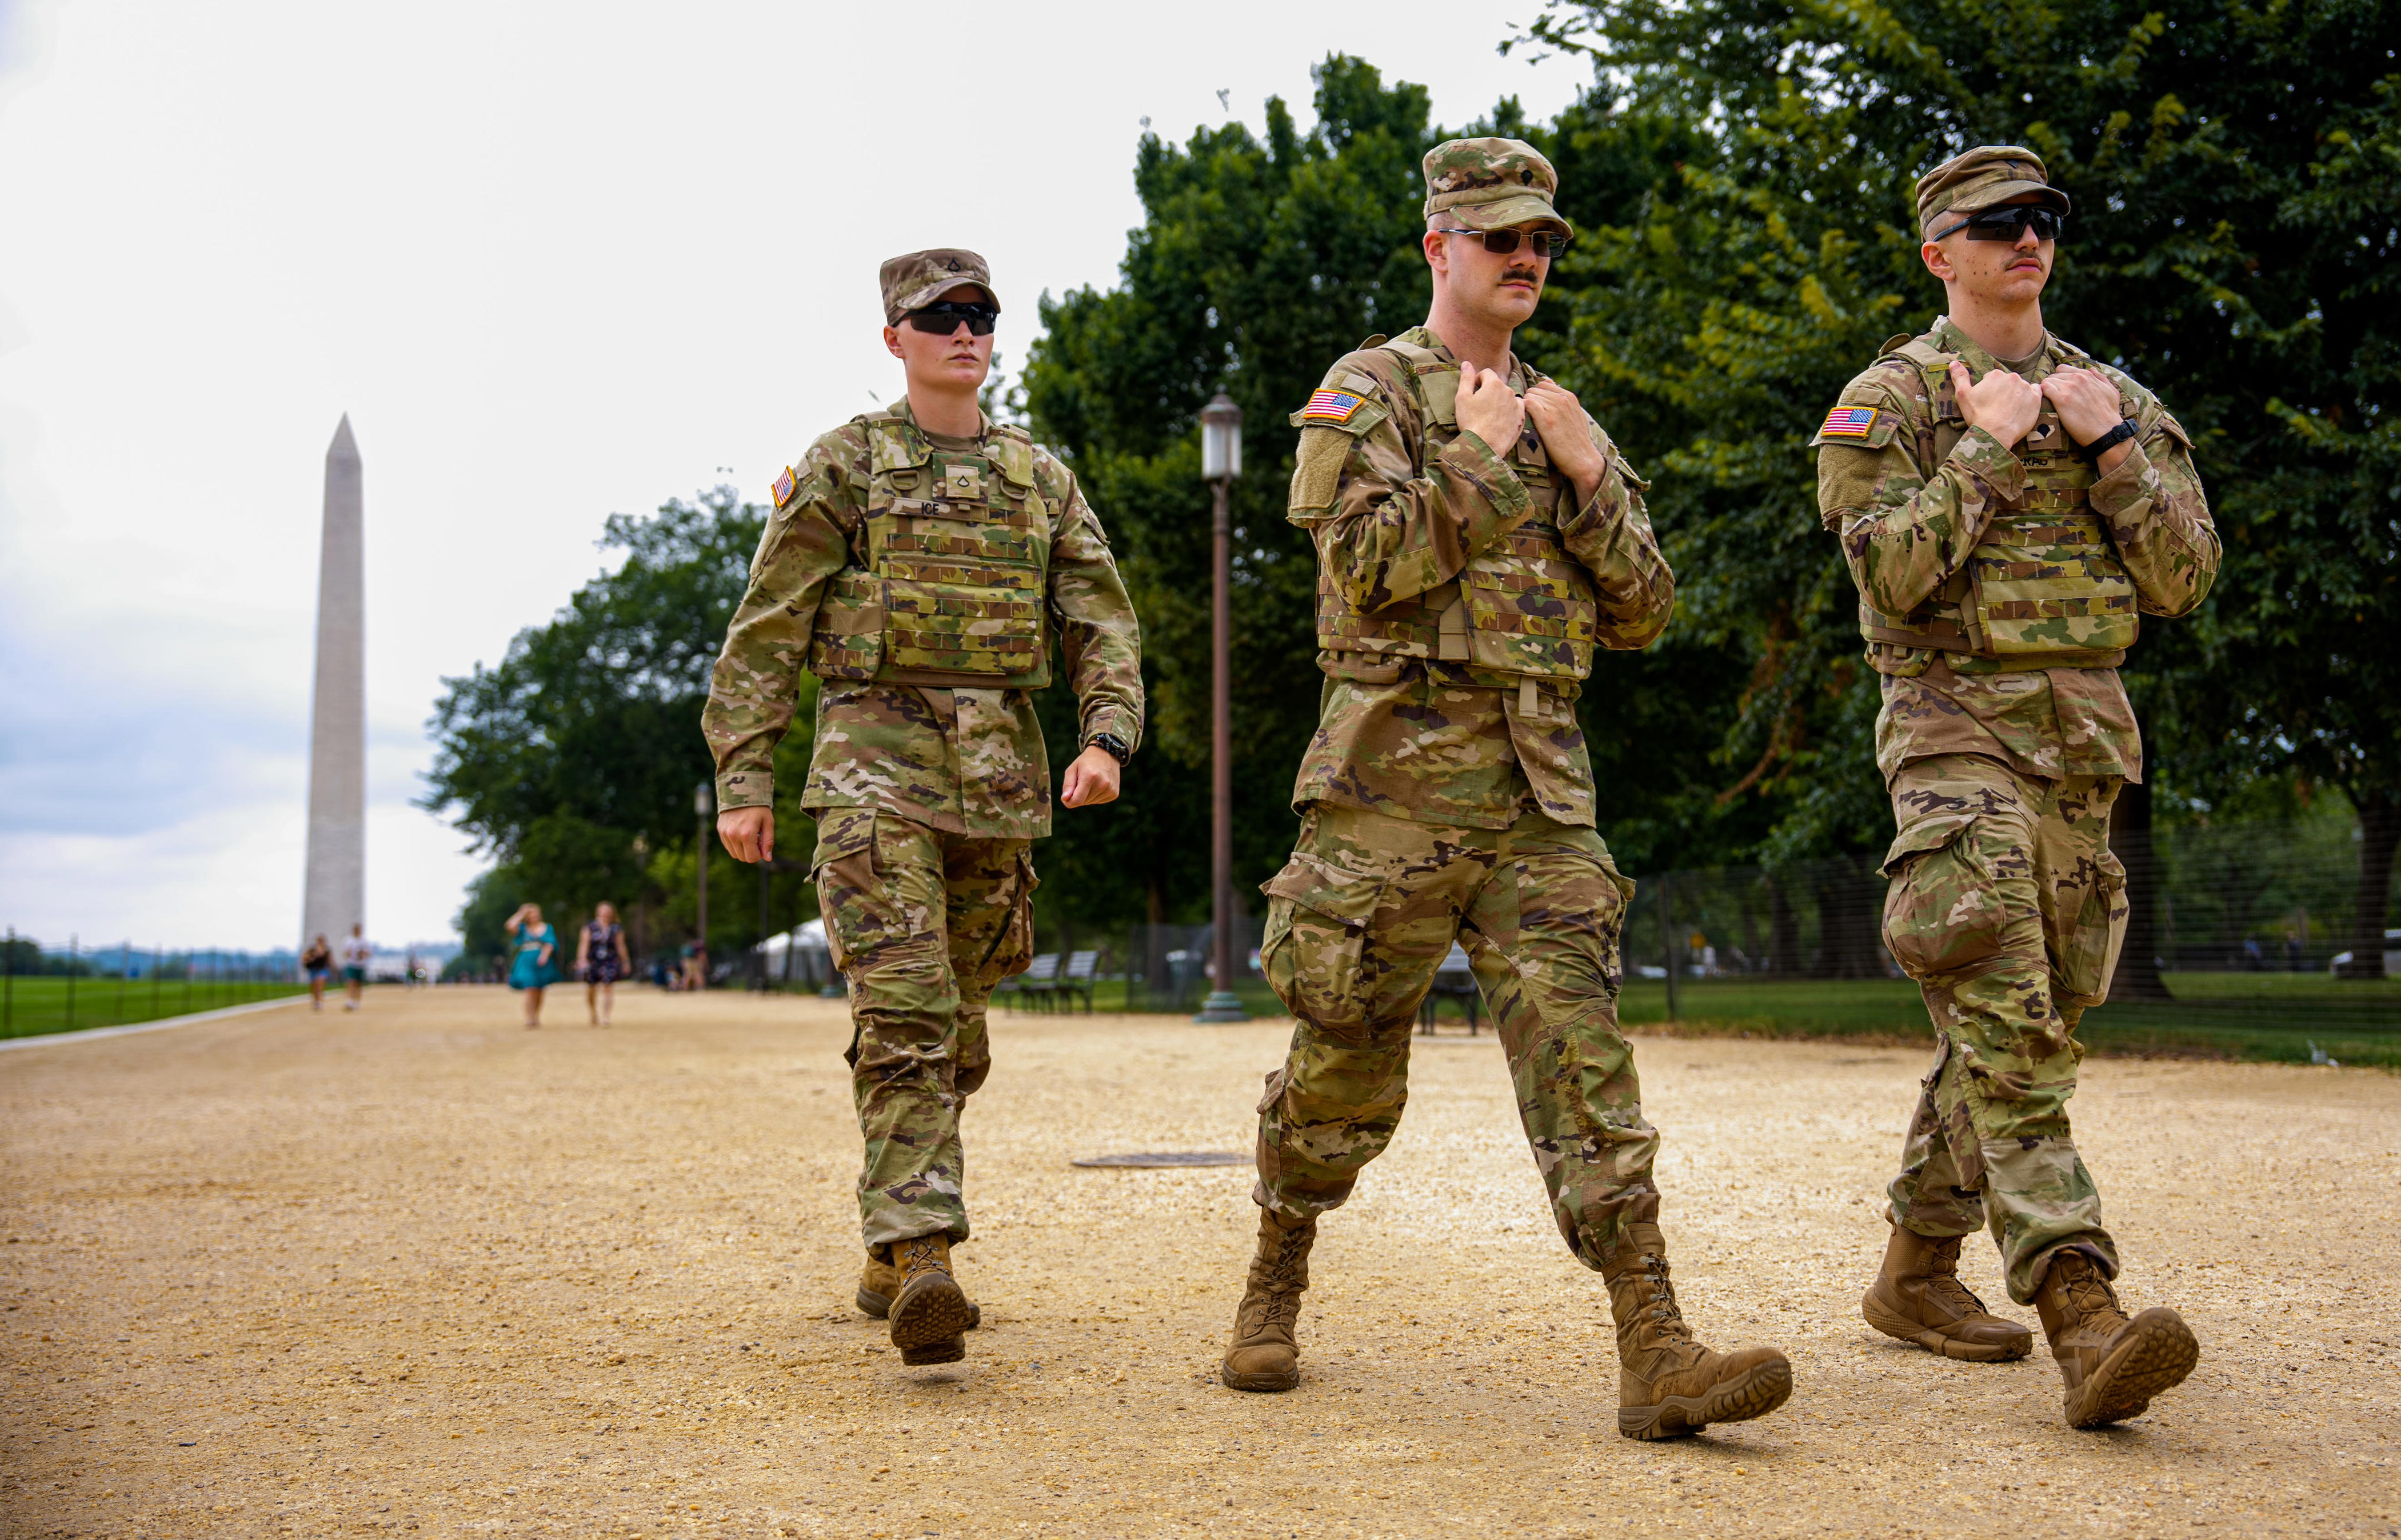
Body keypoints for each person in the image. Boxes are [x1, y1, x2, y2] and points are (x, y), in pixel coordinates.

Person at [1219, 138, 1790, 1442]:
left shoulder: (1561, 413)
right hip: (1386, 796)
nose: (1524, 259)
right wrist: (1474, 461)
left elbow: (1644, 610)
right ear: (1438, 248)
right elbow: (1360, 571)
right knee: (1340, 1076)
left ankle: (1656, 1343)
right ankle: (1277, 1262)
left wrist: (1587, 478)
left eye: (1540, 241)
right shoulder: (1364, 392)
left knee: (1581, 1054)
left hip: (1538, 793)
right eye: (1498, 240)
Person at [1813, 145, 2218, 1428]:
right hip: (1949, 737)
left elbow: (2184, 579)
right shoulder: (1892, 401)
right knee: (2009, 1013)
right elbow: (1890, 575)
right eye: (1996, 224)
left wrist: (2109, 452)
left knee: (2018, 1027)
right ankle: (2082, 1308)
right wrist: (1982, 451)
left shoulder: (2120, 401)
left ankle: (1915, 1272)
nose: (2026, 239)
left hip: (2085, 750)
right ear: (1940, 252)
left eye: (2043, 218)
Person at [704, 247, 1142, 1367]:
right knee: (905, 1010)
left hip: (998, 790)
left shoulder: (1040, 479)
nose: (963, 330)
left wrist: (1105, 738)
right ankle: (925, 1249)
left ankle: (888, 1241)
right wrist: (742, 778)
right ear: (894, 338)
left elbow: (1100, 617)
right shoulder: (844, 467)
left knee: (959, 1033)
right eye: (937, 315)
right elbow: (768, 629)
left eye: (980, 314)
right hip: (869, 776)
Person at [504, 904, 560, 1029]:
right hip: (526, 960)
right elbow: (510, 926)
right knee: (530, 988)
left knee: (540, 990)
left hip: (542, 961)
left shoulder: (547, 928)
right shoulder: (523, 928)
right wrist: (521, 913)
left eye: (535, 913)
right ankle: (529, 1018)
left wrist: (545, 956)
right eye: (531, 914)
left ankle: (536, 1016)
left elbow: (550, 943)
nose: (534, 916)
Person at [577, 902, 625, 1027]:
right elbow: (584, 944)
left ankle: (606, 1016)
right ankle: (593, 1013)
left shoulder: (616, 928)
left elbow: (621, 945)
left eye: (607, 911)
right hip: (593, 960)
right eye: (603, 911)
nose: (605, 913)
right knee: (591, 989)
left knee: (608, 987)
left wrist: (625, 961)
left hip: (610, 960)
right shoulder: (590, 926)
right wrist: (582, 959)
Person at [338, 924, 370, 1012]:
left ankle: (357, 1002)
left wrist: (363, 954)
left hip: (361, 965)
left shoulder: (364, 941)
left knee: (359, 984)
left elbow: (369, 953)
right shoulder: (348, 940)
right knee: (351, 982)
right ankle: (350, 1000)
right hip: (352, 964)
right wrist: (350, 953)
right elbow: (345, 954)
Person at [299, 934, 333, 1011]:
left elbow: (330, 960)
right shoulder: (312, 950)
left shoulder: (327, 950)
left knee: (320, 983)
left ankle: (319, 1001)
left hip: (323, 969)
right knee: (314, 986)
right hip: (313, 969)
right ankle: (316, 1001)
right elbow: (304, 958)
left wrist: (334, 968)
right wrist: (313, 956)